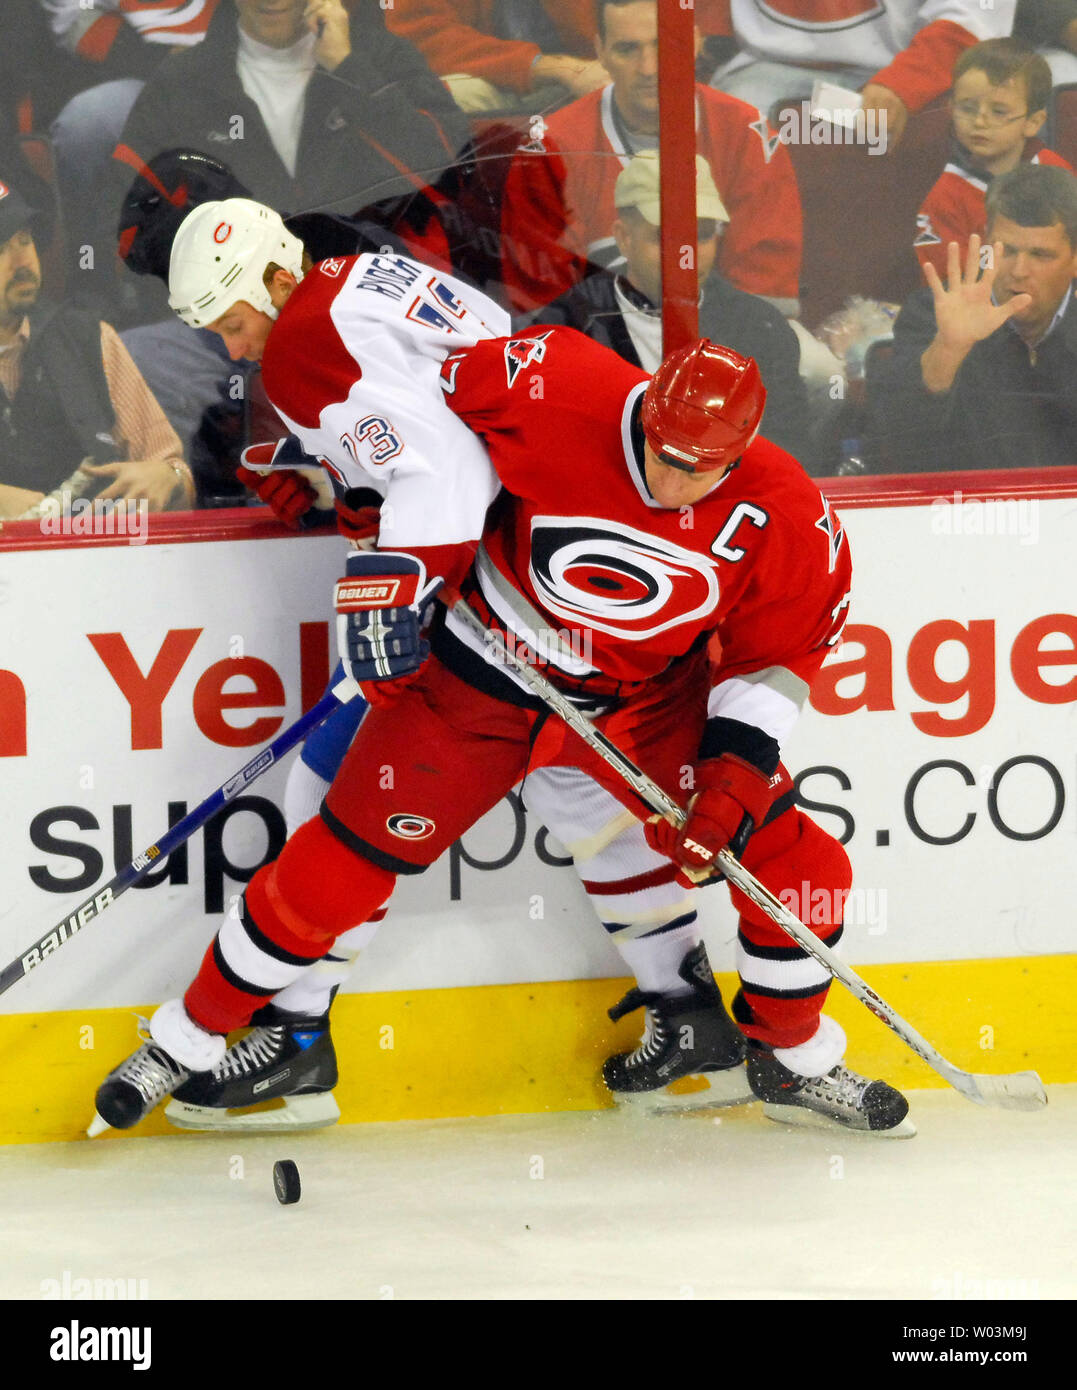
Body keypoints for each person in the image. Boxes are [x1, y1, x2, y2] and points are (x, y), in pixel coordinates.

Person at [88, 196, 914, 1140]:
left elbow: (774, 661)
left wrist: (731, 772)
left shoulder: (787, 515)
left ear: (748, 450)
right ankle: (188, 1040)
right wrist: (346, 487)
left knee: (801, 861)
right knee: (341, 855)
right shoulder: (557, 383)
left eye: (702, 468)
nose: (674, 480)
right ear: (645, 399)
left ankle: (784, 1053)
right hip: (481, 671)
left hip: (642, 700)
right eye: (661, 452)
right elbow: (434, 432)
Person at [498, 0, 803, 316]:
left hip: (725, 337)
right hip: (600, 343)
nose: (648, 68)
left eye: (664, 44)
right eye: (627, 49)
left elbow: (764, 300)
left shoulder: (746, 134)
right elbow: (545, 305)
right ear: (600, 52)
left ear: (695, 42)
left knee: (810, 361)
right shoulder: (550, 147)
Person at [111, 0, 469, 268]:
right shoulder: (182, 81)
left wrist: (349, 70)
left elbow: (446, 168)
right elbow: (127, 215)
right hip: (232, 326)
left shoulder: (382, 58)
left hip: (375, 301)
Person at [527, 151, 815, 466]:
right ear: (624, 238)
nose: (686, 253)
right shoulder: (565, 328)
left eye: (702, 235)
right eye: (666, 235)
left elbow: (790, 454)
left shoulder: (760, 329)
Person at [0, 177, 194, 518]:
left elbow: (174, 476)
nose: (23, 262)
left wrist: (169, 477)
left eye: (26, 241)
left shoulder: (88, 337)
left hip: (95, 560)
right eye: (2, 248)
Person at [868, 163, 1077, 471]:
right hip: (959, 510)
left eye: (1040, 255)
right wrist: (948, 351)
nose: (1018, 271)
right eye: (1005, 251)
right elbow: (897, 444)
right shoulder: (933, 312)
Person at [710, 0, 1017, 151]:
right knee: (728, 116)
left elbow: (973, 21)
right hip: (768, 67)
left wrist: (903, 84)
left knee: (1035, 103)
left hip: (911, 69)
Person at [915, 38, 1072, 280]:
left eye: (998, 112)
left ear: (1033, 122)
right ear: (951, 108)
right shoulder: (944, 198)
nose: (979, 122)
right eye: (967, 108)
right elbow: (948, 280)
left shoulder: (1052, 167)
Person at [383, 0, 606, 113]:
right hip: (498, 82)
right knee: (455, 95)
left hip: (595, 68)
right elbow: (425, 37)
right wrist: (553, 68)